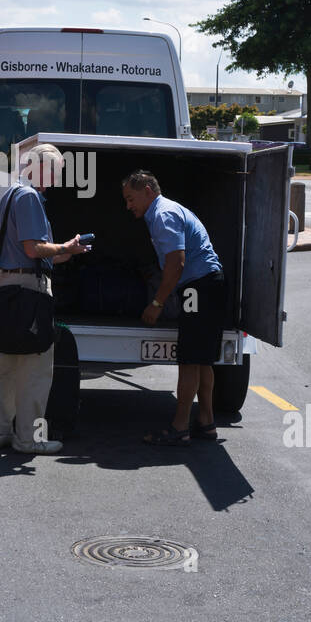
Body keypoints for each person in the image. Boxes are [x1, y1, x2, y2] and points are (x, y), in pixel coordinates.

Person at [0, 143, 88, 455]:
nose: (56, 180)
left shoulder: (11, 193)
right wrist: (65, 246)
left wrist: (65, 252)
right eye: (56, 171)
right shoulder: (29, 196)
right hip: (30, 290)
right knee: (36, 370)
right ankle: (29, 439)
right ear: (41, 167)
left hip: (9, 286)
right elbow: (33, 249)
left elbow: (29, 251)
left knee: (5, 366)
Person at [121, 170, 225, 446]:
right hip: (206, 285)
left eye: (131, 199)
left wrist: (157, 302)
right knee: (202, 359)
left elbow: (176, 263)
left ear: (147, 191)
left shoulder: (162, 215)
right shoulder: (163, 212)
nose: (128, 205)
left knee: (190, 359)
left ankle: (180, 427)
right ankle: (206, 422)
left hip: (198, 287)